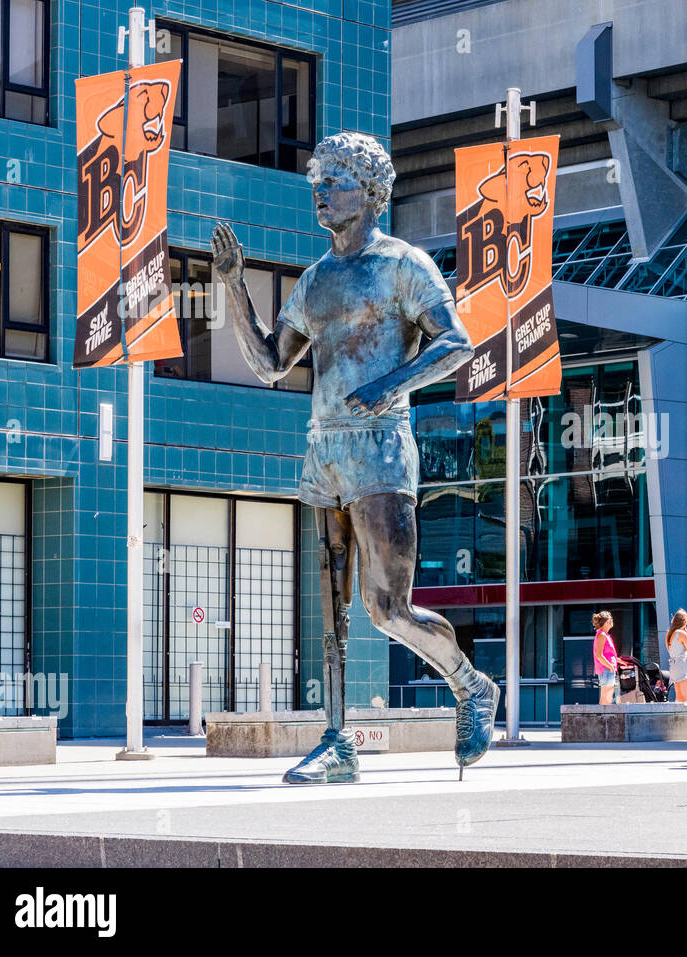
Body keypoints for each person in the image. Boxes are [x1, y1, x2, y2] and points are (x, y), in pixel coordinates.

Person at [213, 132, 499, 783]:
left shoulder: (403, 265)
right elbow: (267, 363)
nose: (320, 190)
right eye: (316, 178)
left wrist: (390, 384)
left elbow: (457, 343)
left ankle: (470, 684)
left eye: (335, 179)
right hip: (326, 455)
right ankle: (337, 740)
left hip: (381, 454)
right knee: (330, 612)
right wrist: (234, 288)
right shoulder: (314, 281)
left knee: (385, 607)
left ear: (370, 190)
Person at [665, 609, 687, 703]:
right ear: (684, 621)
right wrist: (686, 634)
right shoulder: (682, 634)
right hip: (682, 667)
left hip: (674, 667)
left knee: (679, 699)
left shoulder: (669, 634)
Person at [593, 611, 619, 705]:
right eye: (610, 619)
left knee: (607, 697)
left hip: (608, 669)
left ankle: (604, 718)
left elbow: (609, 654)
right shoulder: (602, 635)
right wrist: (610, 667)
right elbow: (599, 655)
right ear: (606, 622)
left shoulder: (605, 635)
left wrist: (618, 660)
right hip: (606, 669)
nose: (612, 621)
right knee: (606, 698)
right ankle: (604, 718)